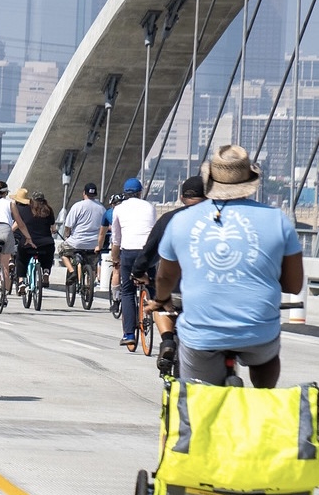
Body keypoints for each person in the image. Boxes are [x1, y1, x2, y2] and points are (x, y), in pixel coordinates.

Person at [154, 147, 304, 386]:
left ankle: (201, 419)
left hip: (201, 334)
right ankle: (262, 402)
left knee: (199, 400)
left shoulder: (181, 220)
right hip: (258, 332)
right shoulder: (278, 220)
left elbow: (165, 278)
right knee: (266, 358)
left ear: (210, 181)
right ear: (250, 181)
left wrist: (161, 299)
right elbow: (294, 285)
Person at [134, 175, 206, 371]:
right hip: (211, 291)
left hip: (176, 289)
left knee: (162, 307)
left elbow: (149, 250)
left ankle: (167, 341)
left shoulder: (169, 219)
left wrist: (138, 271)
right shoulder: (219, 218)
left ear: (182, 197)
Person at [110, 177, 158, 349]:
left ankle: (129, 334)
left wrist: (115, 259)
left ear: (125, 193)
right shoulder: (150, 207)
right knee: (152, 284)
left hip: (129, 252)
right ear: (140, 193)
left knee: (128, 292)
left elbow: (116, 239)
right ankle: (157, 317)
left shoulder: (119, 209)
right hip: (149, 252)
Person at [60, 183, 107, 293]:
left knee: (62, 251)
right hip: (94, 244)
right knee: (92, 264)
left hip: (76, 242)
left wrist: (67, 236)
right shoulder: (102, 208)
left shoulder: (78, 206)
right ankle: (89, 284)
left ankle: (72, 271)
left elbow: (68, 226)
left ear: (84, 193)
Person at [12, 190, 57, 297]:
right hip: (46, 243)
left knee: (21, 260)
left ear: (31, 200)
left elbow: (16, 226)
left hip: (28, 243)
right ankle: (46, 272)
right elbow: (53, 227)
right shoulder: (48, 210)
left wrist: (9, 232)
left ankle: (21, 282)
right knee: (48, 255)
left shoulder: (24, 210)